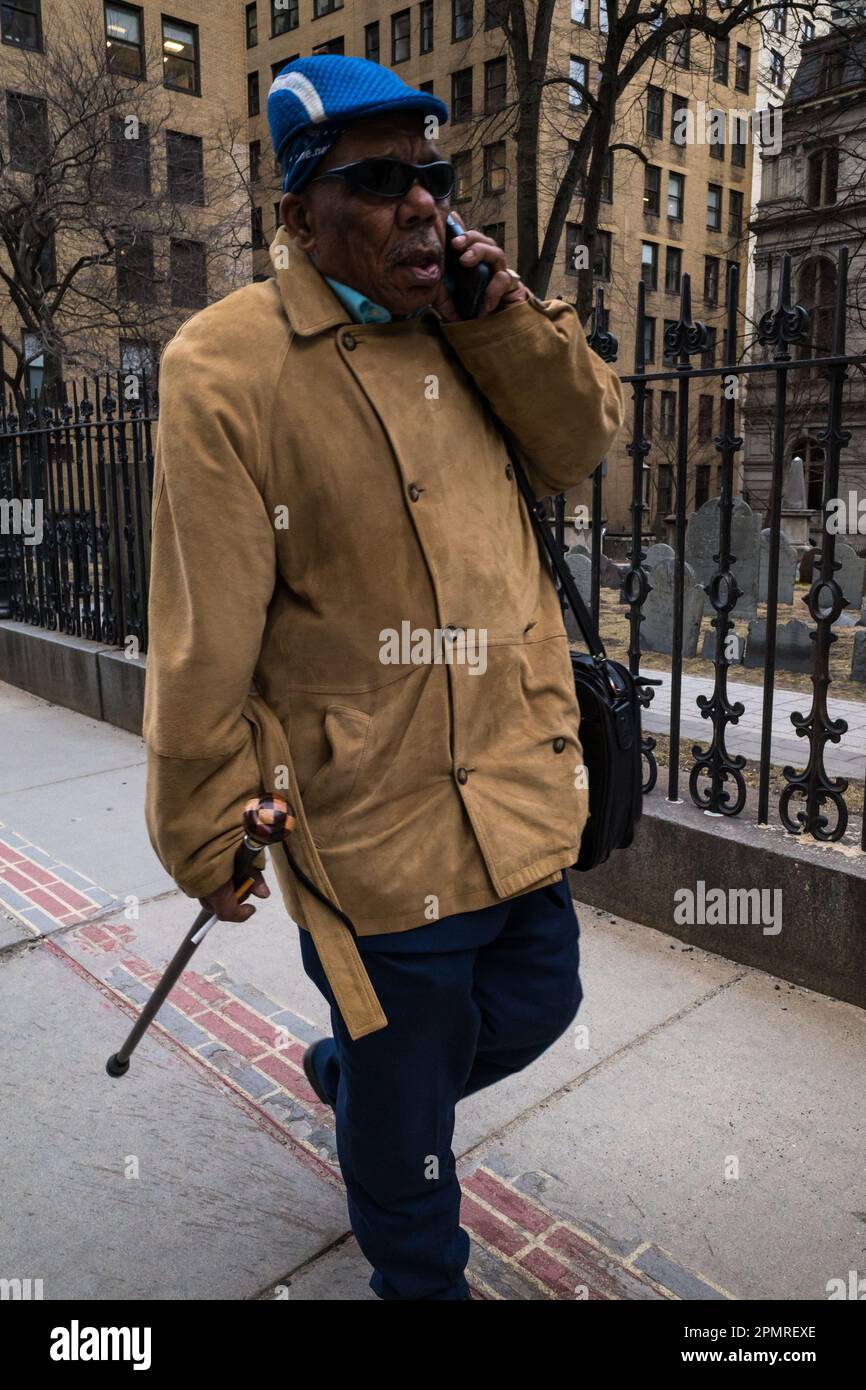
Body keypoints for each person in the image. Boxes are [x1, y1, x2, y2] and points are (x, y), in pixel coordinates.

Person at [143, 54, 624, 1302]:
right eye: (378, 181)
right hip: (371, 818)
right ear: (299, 212)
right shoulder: (225, 367)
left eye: (431, 175)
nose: (423, 204)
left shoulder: (467, 317)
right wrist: (205, 823)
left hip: (515, 781)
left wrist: (503, 319)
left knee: (532, 1003)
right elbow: (204, 626)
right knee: (413, 1126)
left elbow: (577, 445)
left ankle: (353, 1083)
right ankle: (418, 1277)